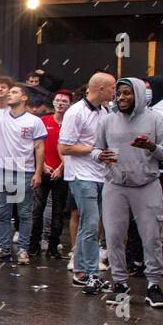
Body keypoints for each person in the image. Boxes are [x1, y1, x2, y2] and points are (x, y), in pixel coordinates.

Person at [96, 78, 163, 309]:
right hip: (115, 186)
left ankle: (154, 285)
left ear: (137, 94)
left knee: (152, 236)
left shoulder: (156, 119)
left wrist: (151, 147)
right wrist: (100, 156)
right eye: (119, 94)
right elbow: (96, 148)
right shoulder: (107, 120)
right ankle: (119, 283)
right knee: (114, 236)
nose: (122, 98)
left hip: (147, 185)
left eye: (127, 93)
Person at [0, 81, 44, 265]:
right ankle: (4, 248)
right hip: (0, 169)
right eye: (9, 92)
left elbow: (39, 147)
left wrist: (38, 172)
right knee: (3, 213)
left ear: (24, 97)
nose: (9, 94)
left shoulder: (34, 121)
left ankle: (22, 250)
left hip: (24, 172)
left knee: (24, 214)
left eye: (14, 92)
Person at [58, 73, 116, 294]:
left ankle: (81, 272)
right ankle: (91, 273)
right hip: (81, 176)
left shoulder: (105, 111)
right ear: (100, 88)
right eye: (111, 88)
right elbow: (65, 147)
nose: (114, 92)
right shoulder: (75, 112)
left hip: (101, 175)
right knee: (90, 225)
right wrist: (95, 152)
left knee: (90, 226)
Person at [30, 89, 72, 260]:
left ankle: (53, 247)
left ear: (70, 104)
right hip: (43, 170)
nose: (60, 103)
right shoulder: (43, 120)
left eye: (64, 101)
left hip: (62, 173)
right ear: (53, 102)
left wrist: (61, 168)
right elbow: (36, 145)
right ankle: (34, 245)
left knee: (58, 212)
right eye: (58, 100)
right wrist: (43, 166)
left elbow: (70, 148)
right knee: (37, 210)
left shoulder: (71, 122)